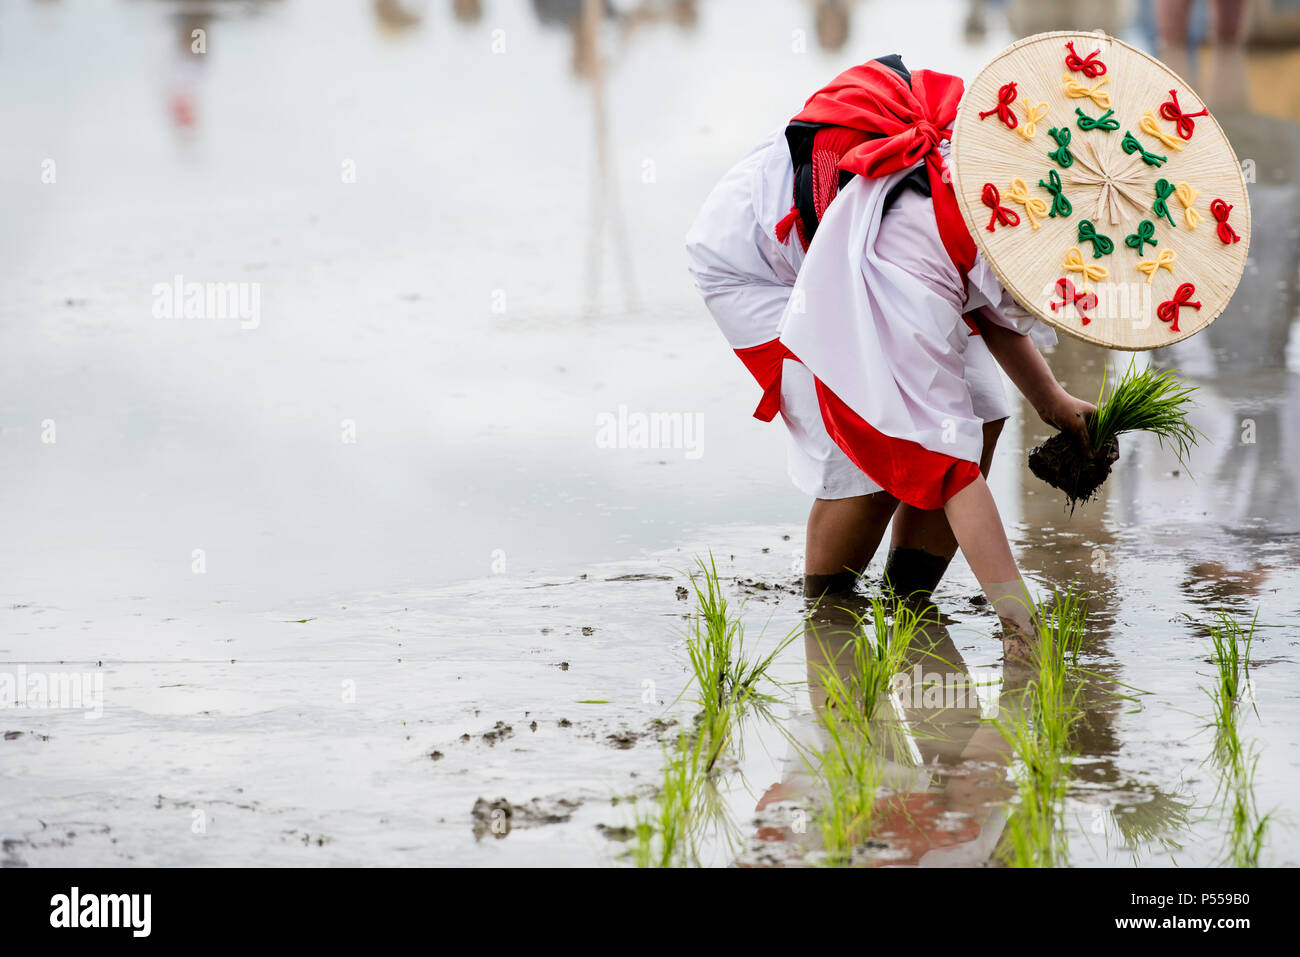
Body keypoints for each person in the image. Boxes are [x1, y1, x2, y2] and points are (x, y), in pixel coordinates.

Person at [684, 55, 1094, 655]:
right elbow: (950, 470)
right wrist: (1020, 622)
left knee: (982, 411)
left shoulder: (998, 204)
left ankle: (907, 607)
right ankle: (830, 621)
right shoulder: (917, 271)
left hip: (867, 231)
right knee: (871, 452)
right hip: (757, 266)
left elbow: (986, 298)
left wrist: (1051, 400)